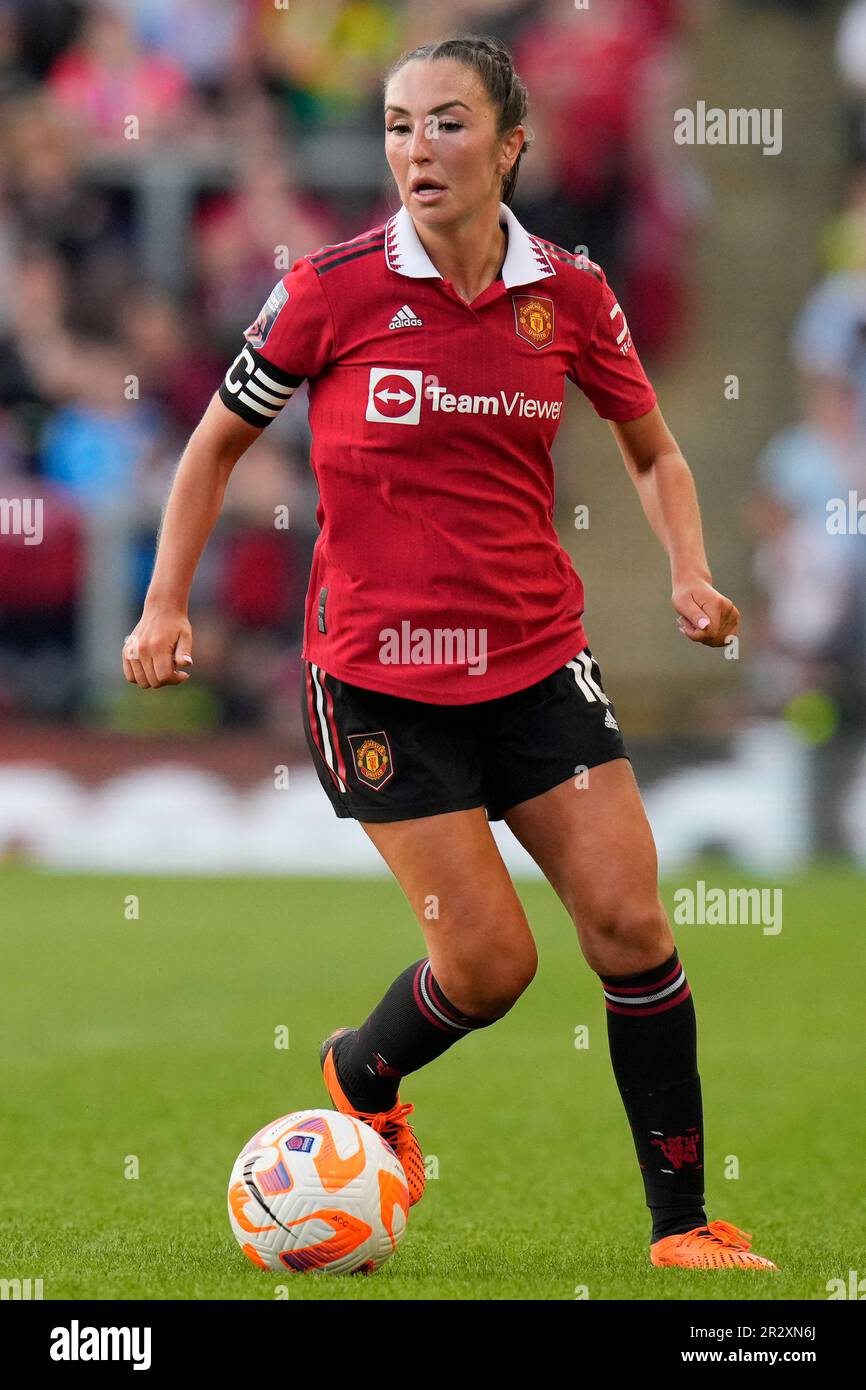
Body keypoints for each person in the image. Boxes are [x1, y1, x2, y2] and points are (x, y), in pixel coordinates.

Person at [123, 34, 775, 1271]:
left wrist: (687, 569)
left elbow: (653, 451)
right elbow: (210, 445)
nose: (415, 149)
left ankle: (680, 1228)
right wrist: (164, 603)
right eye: (396, 124)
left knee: (632, 928)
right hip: (376, 679)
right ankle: (356, 1072)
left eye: (446, 123)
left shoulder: (570, 293)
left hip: (532, 660)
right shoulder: (327, 286)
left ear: (511, 142)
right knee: (489, 964)